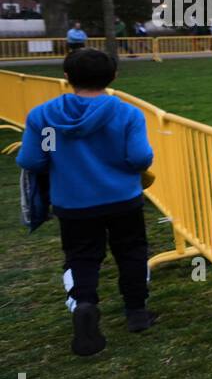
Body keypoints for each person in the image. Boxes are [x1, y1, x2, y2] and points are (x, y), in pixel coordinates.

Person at [16, 48, 157, 355]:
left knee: (81, 256)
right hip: (122, 199)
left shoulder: (44, 117)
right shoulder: (127, 113)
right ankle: (136, 311)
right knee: (131, 251)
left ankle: (84, 303)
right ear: (113, 76)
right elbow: (139, 157)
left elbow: (32, 159)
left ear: (67, 78)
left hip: (73, 202)